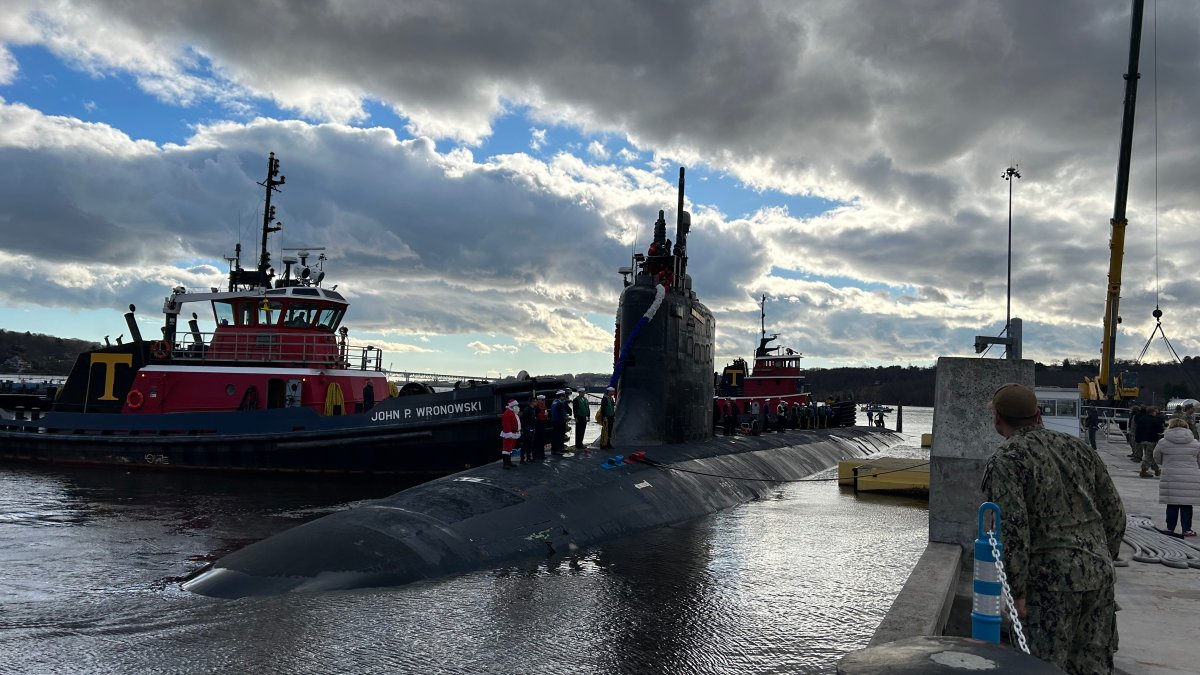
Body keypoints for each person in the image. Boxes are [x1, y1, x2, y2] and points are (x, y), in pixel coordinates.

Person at [981, 383, 1125, 674]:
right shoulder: (1079, 448)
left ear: (997, 418)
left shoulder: (1007, 459)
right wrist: (1102, 558)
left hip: (1048, 585)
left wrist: (1016, 593)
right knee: (1093, 666)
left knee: (1041, 667)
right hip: (1098, 576)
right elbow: (1115, 514)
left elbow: (1013, 530)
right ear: (1038, 414)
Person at [1152, 417, 1200, 537]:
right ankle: (1187, 529)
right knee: (1187, 505)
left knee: (1172, 504)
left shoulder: (1163, 442)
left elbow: (1156, 457)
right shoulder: (1195, 443)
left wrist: (1166, 463)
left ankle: (1170, 528)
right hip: (1190, 477)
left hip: (1170, 475)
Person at [1134, 406, 1165, 478]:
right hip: (1151, 440)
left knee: (1150, 455)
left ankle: (1156, 470)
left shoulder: (1142, 419)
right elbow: (1160, 430)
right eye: (1155, 412)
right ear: (1152, 412)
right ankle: (1144, 470)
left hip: (1142, 439)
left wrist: (1137, 439)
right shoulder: (1156, 421)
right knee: (1149, 456)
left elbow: (1137, 429)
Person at [499, 399, 521, 469]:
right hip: (509, 434)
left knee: (510, 449)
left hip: (514, 433)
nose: (518, 406)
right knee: (506, 449)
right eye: (516, 405)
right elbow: (506, 424)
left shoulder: (513, 412)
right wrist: (509, 434)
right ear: (513, 406)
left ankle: (509, 462)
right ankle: (505, 464)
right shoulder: (507, 413)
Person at [550, 390, 569, 455]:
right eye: (563, 396)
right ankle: (558, 449)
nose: (564, 397)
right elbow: (561, 414)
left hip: (554, 421)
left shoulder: (554, 402)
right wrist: (564, 420)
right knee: (560, 436)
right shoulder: (560, 403)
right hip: (559, 422)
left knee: (555, 436)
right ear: (560, 396)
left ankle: (554, 449)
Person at [572, 387, 590, 453]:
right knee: (578, 431)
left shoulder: (585, 399)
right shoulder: (576, 400)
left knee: (582, 430)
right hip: (579, 417)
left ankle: (581, 443)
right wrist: (575, 417)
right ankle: (577, 444)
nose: (583, 393)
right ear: (579, 393)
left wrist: (588, 416)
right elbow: (575, 409)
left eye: (584, 392)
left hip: (584, 417)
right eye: (582, 392)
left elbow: (588, 408)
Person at [519, 399, 538, 463]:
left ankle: (528, 457)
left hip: (531, 428)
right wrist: (525, 429)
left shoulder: (533, 409)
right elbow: (524, 420)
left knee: (530, 444)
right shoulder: (527, 410)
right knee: (525, 444)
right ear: (532, 402)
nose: (536, 403)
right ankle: (522, 459)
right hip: (527, 429)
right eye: (535, 401)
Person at [533, 394, 549, 461]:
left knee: (542, 439)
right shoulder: (537, 407)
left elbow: (546, 414)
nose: (543, 401)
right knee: (538, 440)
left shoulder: (544, 406)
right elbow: (538, 416)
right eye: (542, 400)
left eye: (544, 400)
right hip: (538, 424)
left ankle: (541, 454)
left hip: (542, 423)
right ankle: (538, 454)